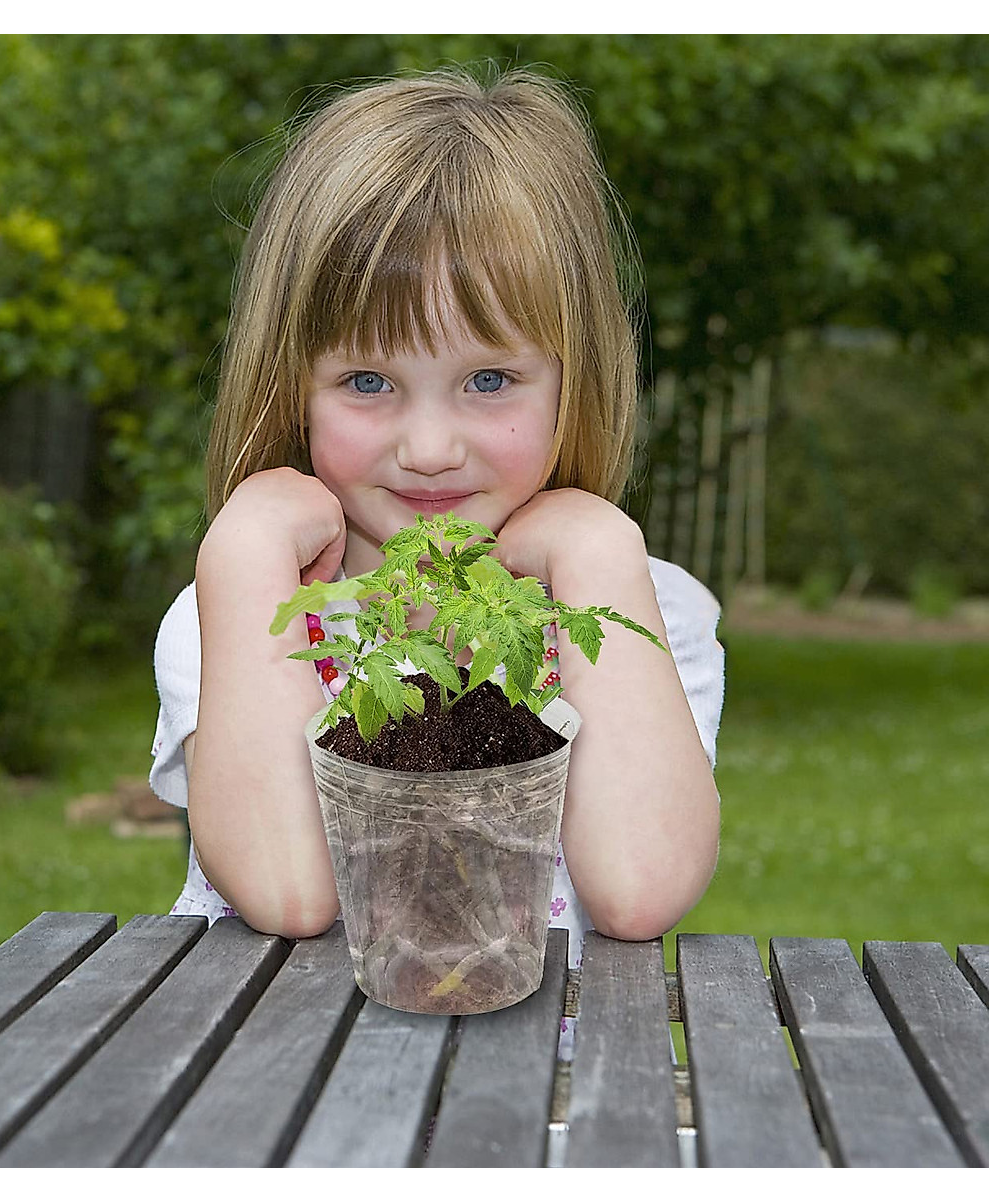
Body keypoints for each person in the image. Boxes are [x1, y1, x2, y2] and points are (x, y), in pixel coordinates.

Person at [149, 66, 724, 1048]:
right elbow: (291, 891)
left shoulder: (644, 610)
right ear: (293, 383)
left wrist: (598, 547)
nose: (427, 447)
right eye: (368, 380)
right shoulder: (251, 609)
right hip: (269, 1093)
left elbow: (639, 891)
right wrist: (244, 548)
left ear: (571, 379)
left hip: (551, 1091)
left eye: (488, 379)